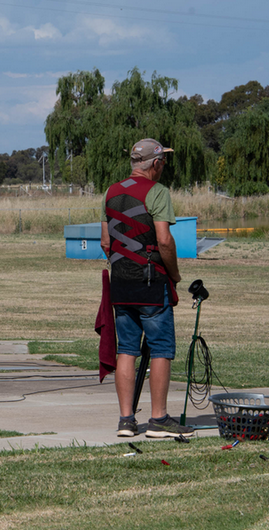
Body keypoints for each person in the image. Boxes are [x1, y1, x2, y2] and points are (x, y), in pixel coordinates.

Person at [100, 138, 194, 439]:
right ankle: (158, 419)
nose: (164, 166)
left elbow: (105, 242)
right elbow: (164, 240)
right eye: (163, 161)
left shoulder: (111, 192)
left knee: (127, 349)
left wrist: (124, 265)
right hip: (151, 282)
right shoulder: (158, 191)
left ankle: (126, 421)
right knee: (161, 349)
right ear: (155, 163)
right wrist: (174, 275)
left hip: (120, 283)